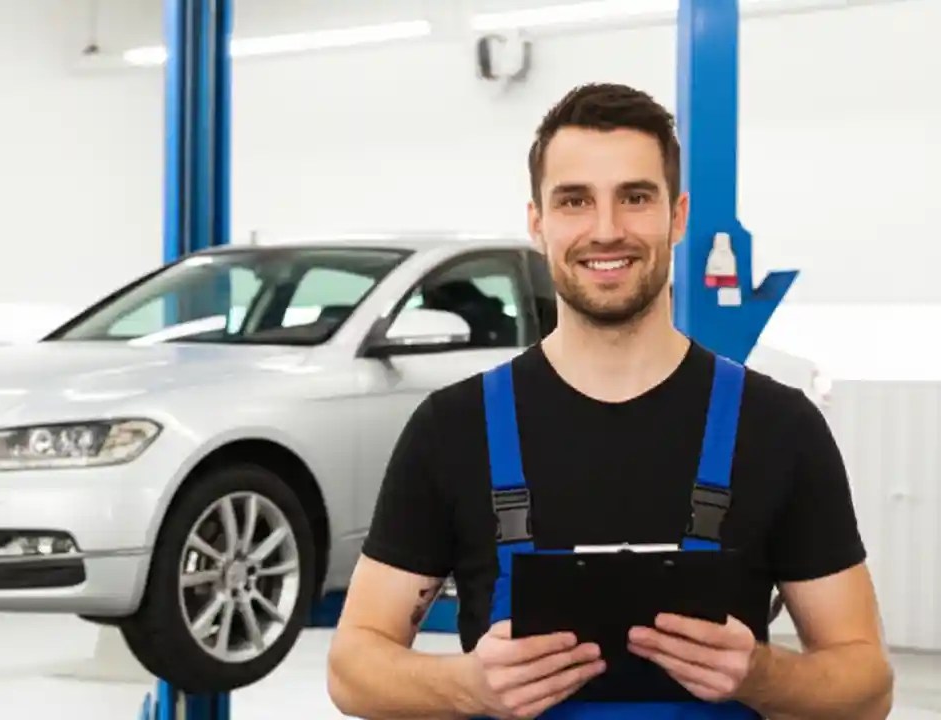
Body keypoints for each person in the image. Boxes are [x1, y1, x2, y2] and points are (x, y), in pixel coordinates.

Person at [326, 83, 894, 719]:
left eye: (635, 198)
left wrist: (761, 675)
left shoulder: (780, 428)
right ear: (537, 222)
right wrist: (468, 685)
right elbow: (354, 668)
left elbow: (867, 687)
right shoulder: (453, 429)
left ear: (676, 216)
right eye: (574, 201)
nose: (606, 230)